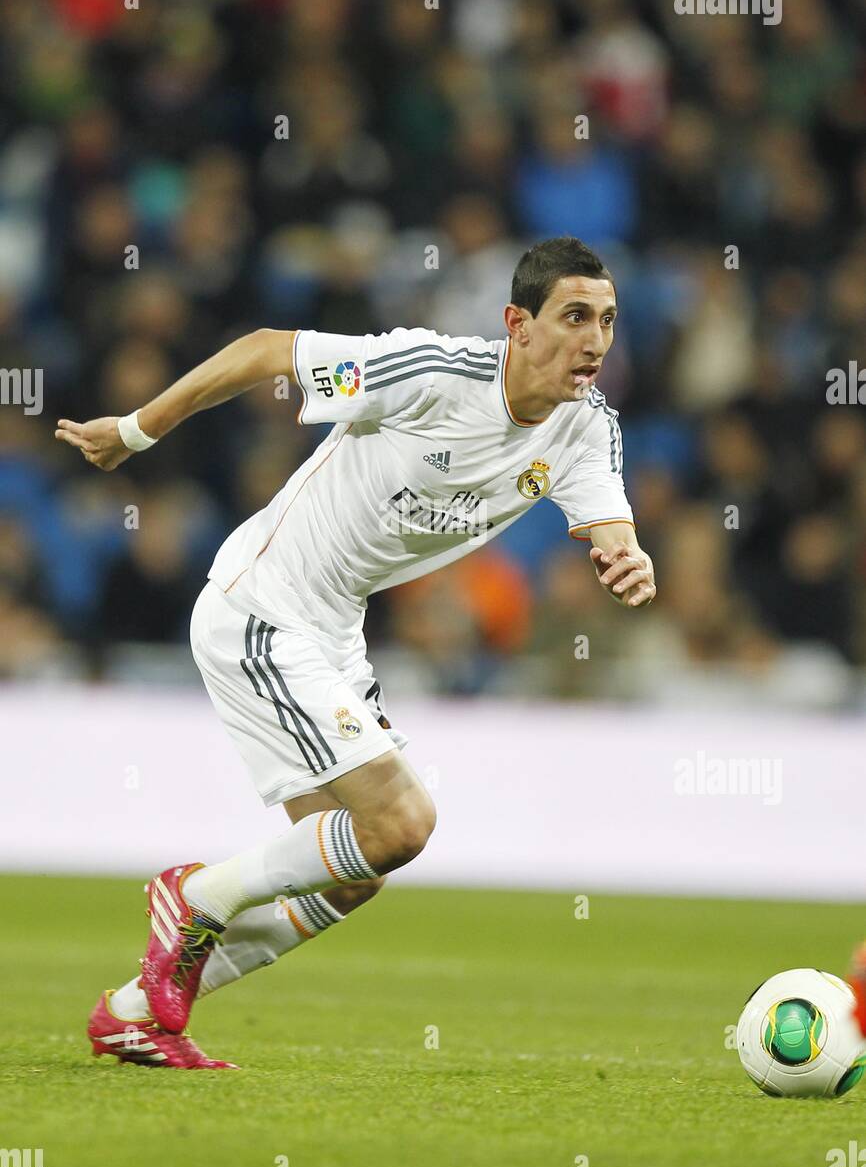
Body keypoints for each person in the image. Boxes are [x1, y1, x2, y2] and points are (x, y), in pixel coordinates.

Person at [56, 236, 656, 1069]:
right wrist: (136, 428)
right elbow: (267, 352)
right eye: (575, 317)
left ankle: (131, 1012)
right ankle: (195, 896)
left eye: (609, 321)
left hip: (334, 632)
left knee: (354, 869)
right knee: (402, 821)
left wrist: (629, 555)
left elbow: (608, 522)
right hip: (261, 607)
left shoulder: (587, 431)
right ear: (518, 324)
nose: (594, 340)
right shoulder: (433, 373)